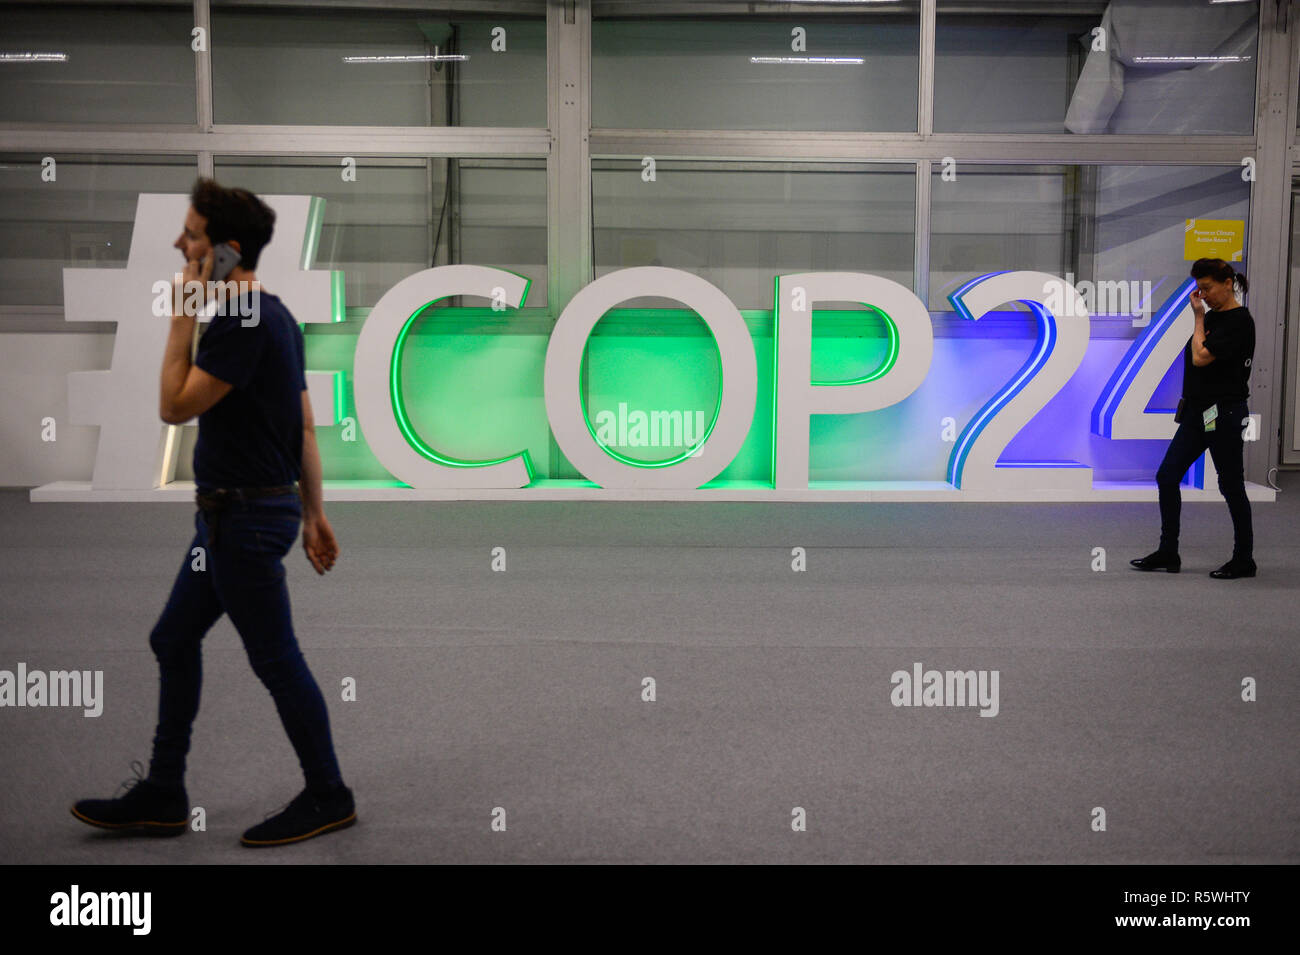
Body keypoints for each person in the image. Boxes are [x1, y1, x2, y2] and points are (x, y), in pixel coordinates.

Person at [71, 178, 356, 846]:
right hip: (240, 517)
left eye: (192, 234)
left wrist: (180, 315)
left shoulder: (243, 322)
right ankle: (165, 793)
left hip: (244, 524)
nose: (179, 242)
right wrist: (313, 512)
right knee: (173, 637)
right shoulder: (275, 314)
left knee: (277, 659)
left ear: (225, 252)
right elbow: (304, 426)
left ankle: (329, 793)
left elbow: (173, 405)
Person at [1131, 257, 1256, 579]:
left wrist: (1198, 317)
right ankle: (1168, 551)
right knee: (1167, 476)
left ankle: (1244, 558)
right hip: (1200, 413)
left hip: (1224, 413)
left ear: (1228, 283)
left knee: (1230, 485)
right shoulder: (1214, 318)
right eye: (1199, 289)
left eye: (1208, 288)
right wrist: (1204, 317)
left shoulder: (1239, 321)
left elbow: (1201, 357)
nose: (1204, 295)